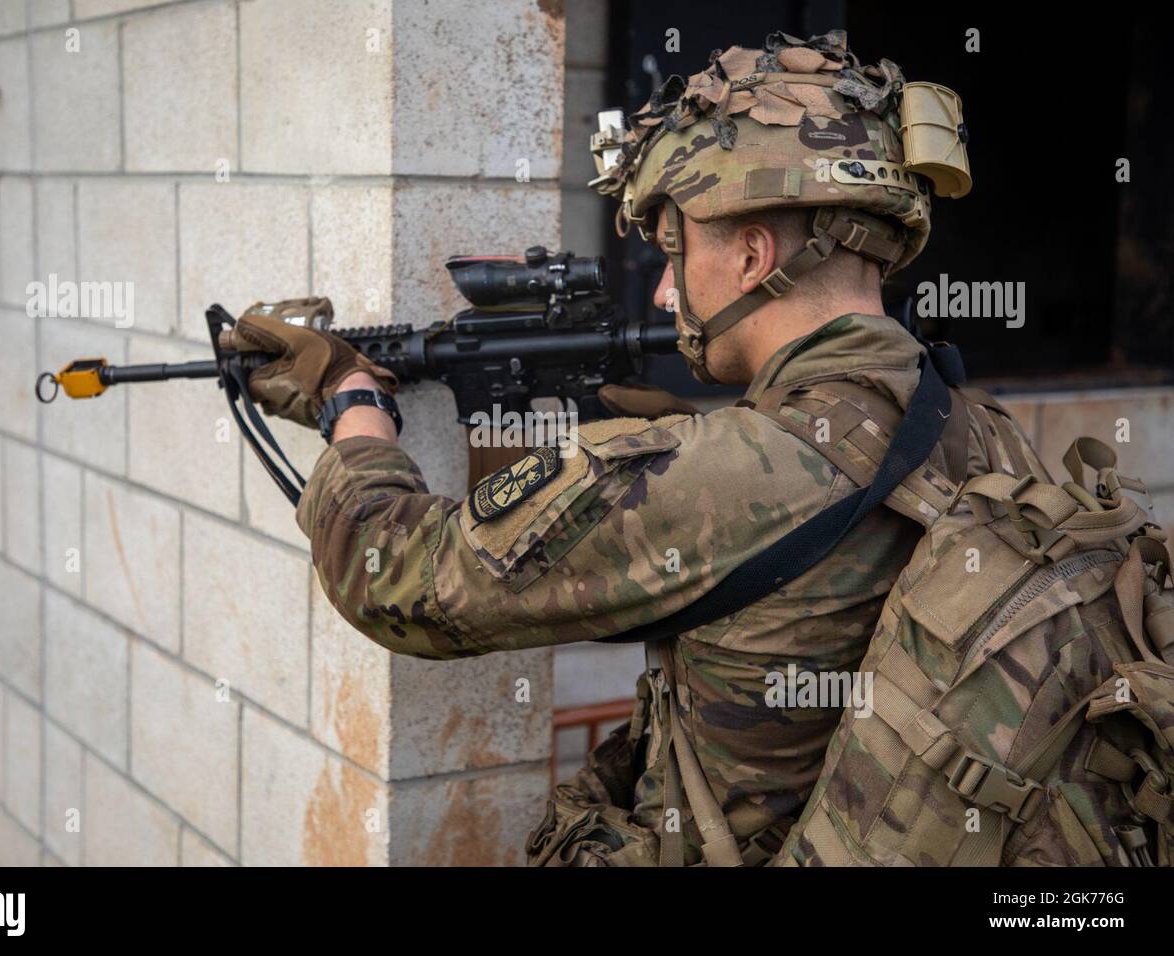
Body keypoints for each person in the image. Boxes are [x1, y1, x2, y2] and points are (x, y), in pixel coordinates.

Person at [225, 31, 1047, 866]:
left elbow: (395, 573)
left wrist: (352, 403)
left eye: (672, 252)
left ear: (754, 256)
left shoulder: (722, 478)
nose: (662, 289)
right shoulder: (986, 430)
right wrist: (687, 442)